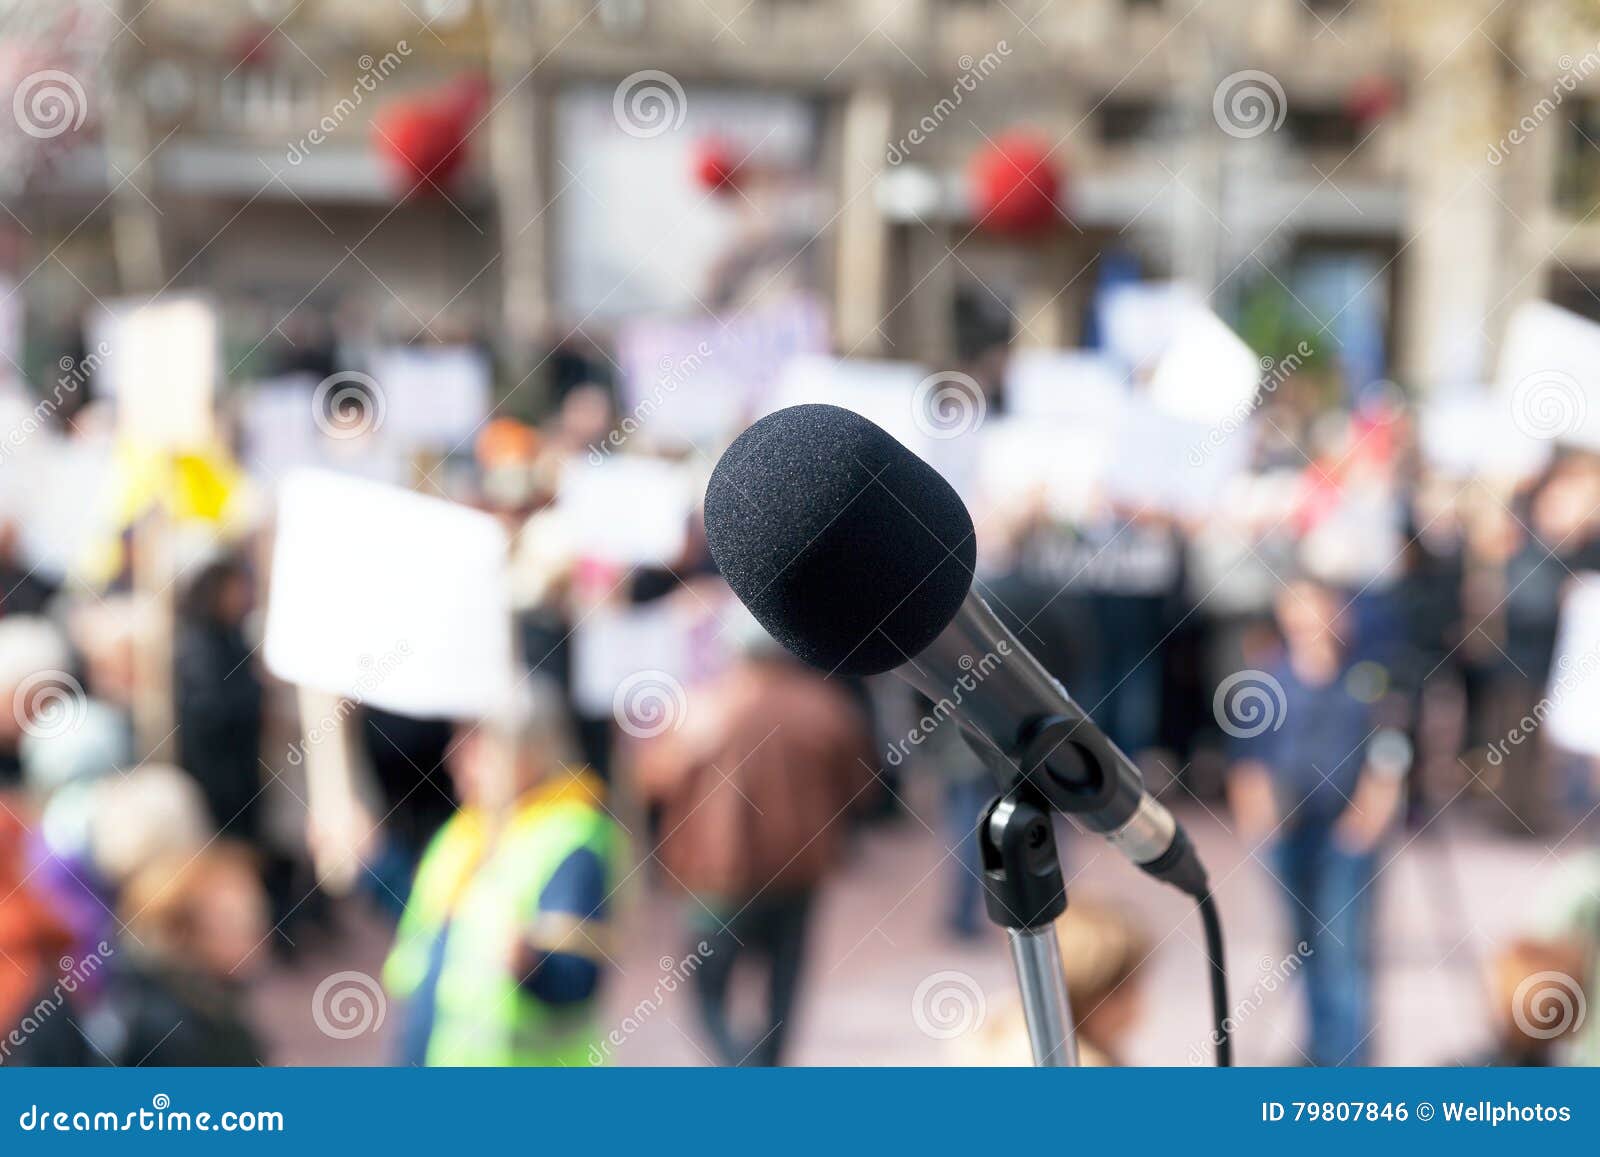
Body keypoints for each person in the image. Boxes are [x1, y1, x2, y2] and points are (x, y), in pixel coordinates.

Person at [635, 612, 876, 1066]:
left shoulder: (706, 707)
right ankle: (765, 1067)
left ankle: (738, 1067)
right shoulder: (825, 706)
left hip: (719, 879)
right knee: (783, 986)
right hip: (800, 871)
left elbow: (652, 779)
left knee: (709, 989)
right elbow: (863, 789)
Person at [384, 683, 620, 1066]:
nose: (455, 756)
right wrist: (373, 860)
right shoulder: (464, 831)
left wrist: (530, 963)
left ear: (527, 750)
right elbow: (424, 925)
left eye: (476, 741)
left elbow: (578, 979)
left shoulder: (570, 836)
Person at [1226, 577, 1405, 1067]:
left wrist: (1364, 825)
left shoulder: (1367, 681)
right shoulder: (1268, 680)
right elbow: (1248, 762)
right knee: (1301, 948)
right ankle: (1317, 1048)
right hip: (1288, 836)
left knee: (1344, 952)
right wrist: (1260, 827)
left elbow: (1389, 758)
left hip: (1344, 836)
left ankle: (1348, 1061)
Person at [91, 844, 269, 1066]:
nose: (256, 932)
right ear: (184, 933)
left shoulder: (215, 1009)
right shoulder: (166, 1029)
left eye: (256, 916)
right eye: (233, 921)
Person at [173, 556, 264, 839]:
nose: (242, 597)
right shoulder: (199, 644)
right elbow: (211, 708)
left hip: (242, 769)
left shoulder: (232, 635)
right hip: (217, 774)